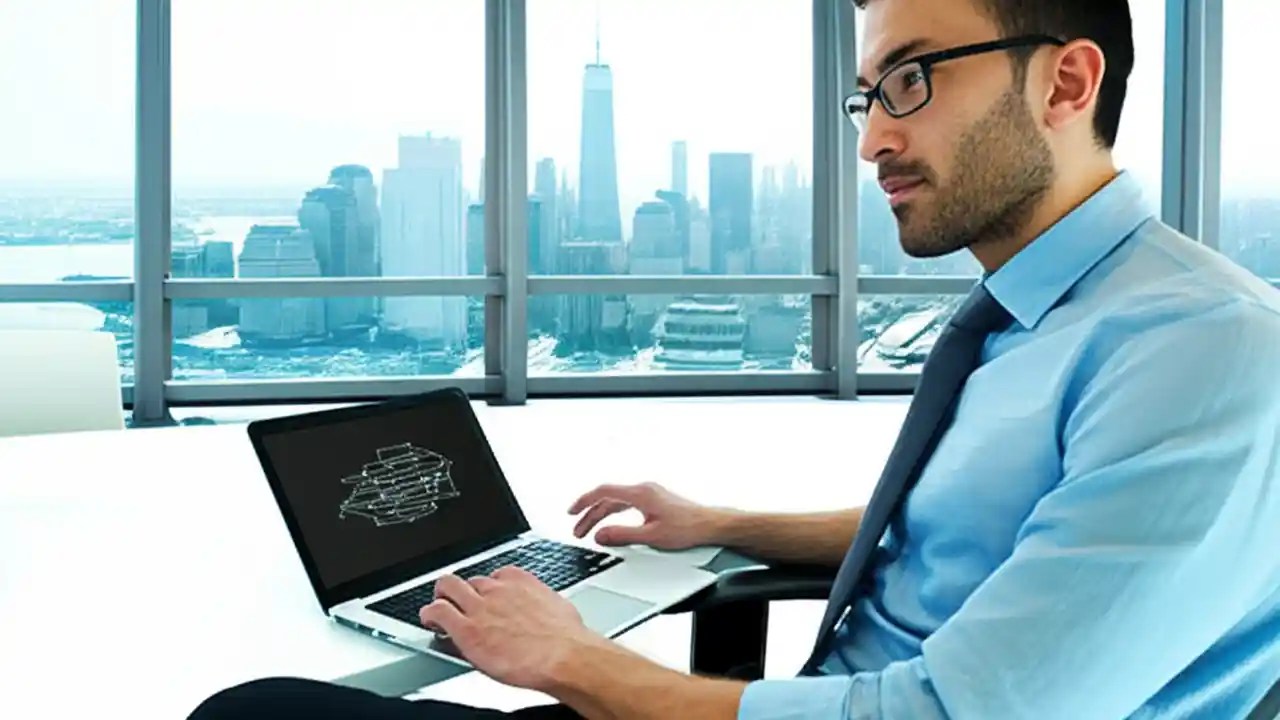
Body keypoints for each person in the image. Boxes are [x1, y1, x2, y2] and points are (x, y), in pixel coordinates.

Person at [189, 0, 1280, 717]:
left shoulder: (1199, 349)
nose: (869, 140)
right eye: (866, 96)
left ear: (1064, 82)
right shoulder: (1047, 315)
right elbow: (982, 536)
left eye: (910, 80)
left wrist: (574, 660)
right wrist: (720, 525)